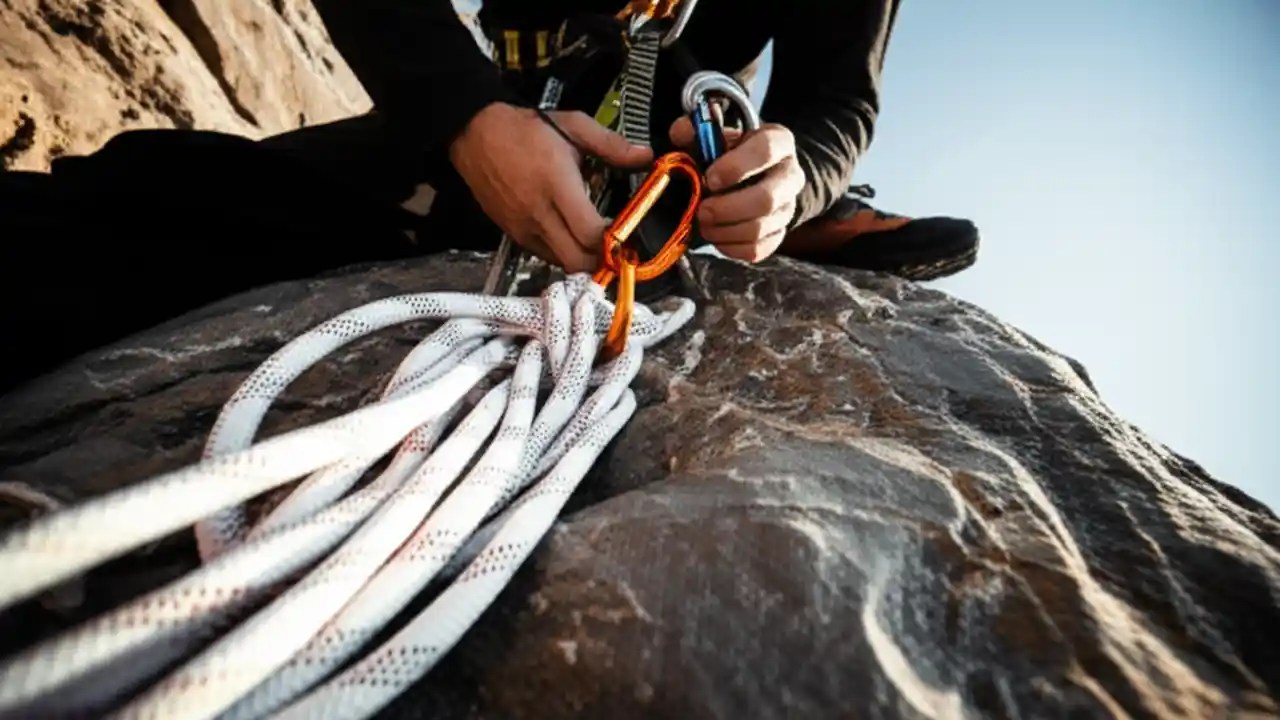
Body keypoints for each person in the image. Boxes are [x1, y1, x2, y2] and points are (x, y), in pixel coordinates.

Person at [0, 0, 978, 393]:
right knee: (152, 202)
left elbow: (835, 94)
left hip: (672, 152)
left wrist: (792, 181)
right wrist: (463, 116)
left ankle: (801, 221)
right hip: (497, 104)